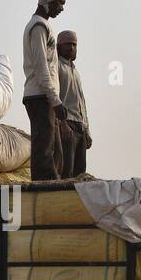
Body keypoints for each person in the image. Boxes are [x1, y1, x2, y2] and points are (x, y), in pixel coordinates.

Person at [22, 0, 68, 180]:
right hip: (40, 96)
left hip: (45, 97)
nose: (62, 8)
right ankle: (44, 191)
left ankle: (52, 185)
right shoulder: (38, 27)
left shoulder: (43, 26)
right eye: (60, 2)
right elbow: (42, 68)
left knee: (55, 152)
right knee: (44, 154)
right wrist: (55, 100)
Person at [56, 30, 89, 176]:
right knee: (66, 171)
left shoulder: (76, 72)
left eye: (74, 45)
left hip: (80, 125)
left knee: (80, 173)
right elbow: (54, 97)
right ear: (58, 47)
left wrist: (87, 130)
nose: (71, 48)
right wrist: (62, 124)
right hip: (67, 123)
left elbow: (81, 102)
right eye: (67, 45)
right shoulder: (57, 67)